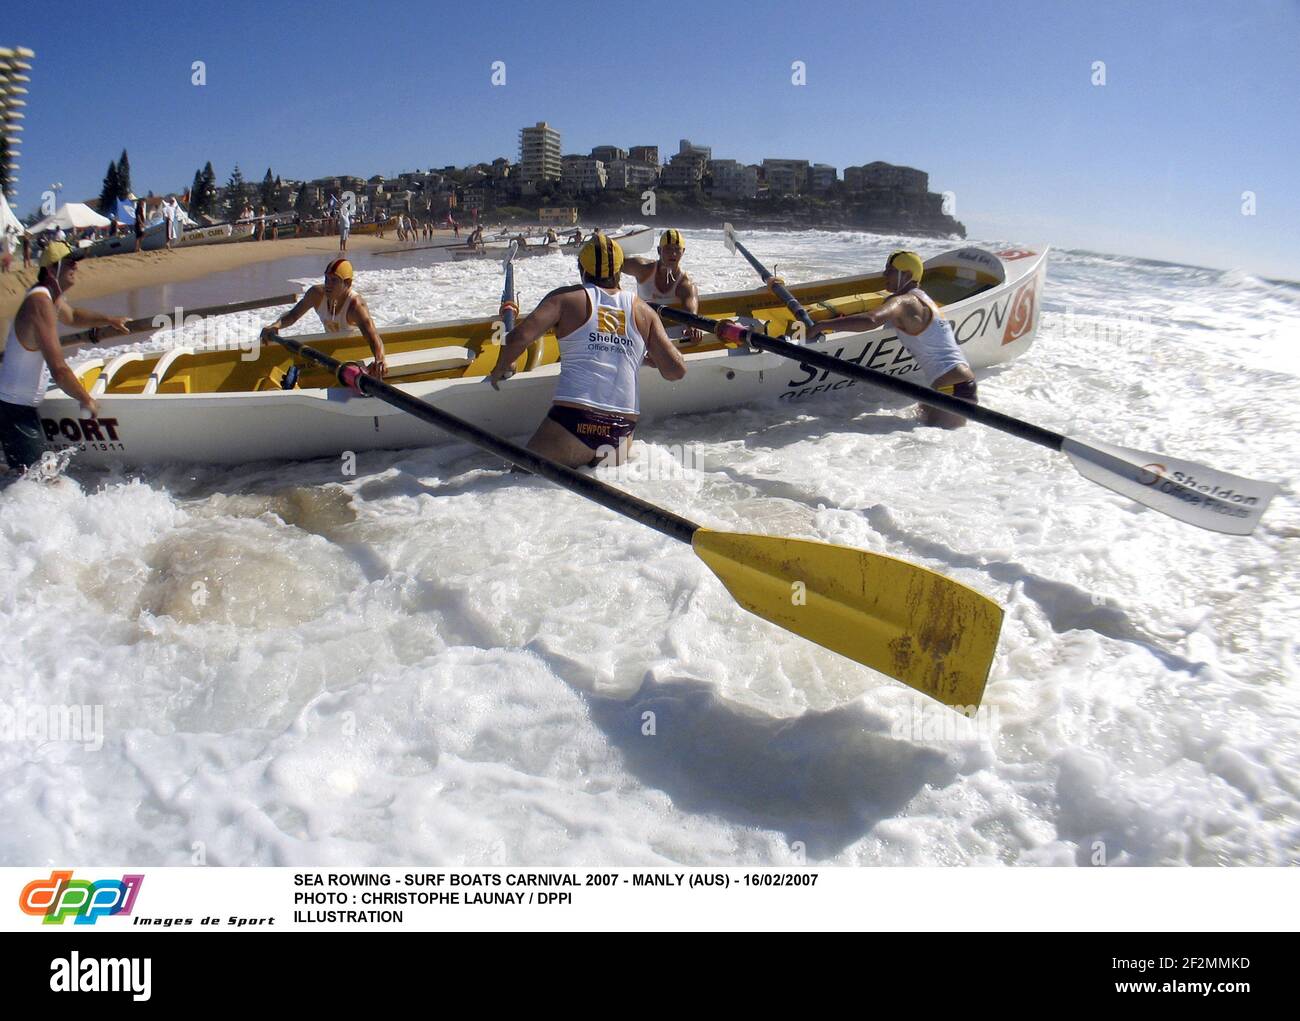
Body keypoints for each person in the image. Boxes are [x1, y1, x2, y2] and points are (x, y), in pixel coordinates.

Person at [487, 233, 686, 468]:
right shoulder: (645, 312)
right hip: (620, 433)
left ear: (582, 269)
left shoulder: (564, 299)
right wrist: (644, 355)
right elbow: (676, 370)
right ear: (620, 272)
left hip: (574, 423)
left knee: (519, 483)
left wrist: (501, 368)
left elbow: (518, 338)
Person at [809, 250, 977, 428]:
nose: (884, 274)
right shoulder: (921, 298)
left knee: (931, 442)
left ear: (906, 275)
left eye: (890, 270)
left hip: (953, 388)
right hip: (956, 385)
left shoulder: (905, 302)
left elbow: (871, 320)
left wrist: (821, 325)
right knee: (924, 430)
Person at [0, 243, 129, 472]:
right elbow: (59, 369)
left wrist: (108, 319)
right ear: (51, 270)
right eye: (70, 262)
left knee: (34, 480)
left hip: (20, 407)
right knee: (40, 483)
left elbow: (74, 317)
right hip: (14, 411)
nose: (76, 266)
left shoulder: (50, 297)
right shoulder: (40, 303)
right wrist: (85, 399)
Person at [264, 258, 387, 380]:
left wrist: (379, 359)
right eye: (327, 278)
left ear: (348, 283)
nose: (328, 284)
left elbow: (372, 336)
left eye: (334, 280)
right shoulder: (316, 294)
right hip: (332, 350)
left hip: (354, 353)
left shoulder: (356, 307)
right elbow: (293, 315)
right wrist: (275, 326)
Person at [620, 228, 704, 344]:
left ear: (683, 251)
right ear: (659, 250)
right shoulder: (643, 269)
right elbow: (611, 265)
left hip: (670, 339)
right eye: (668, 249)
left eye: (677, 249)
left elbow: (691, 316)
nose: (673, 254)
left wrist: (693, 328)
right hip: (642, 334)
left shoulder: (685, 284)